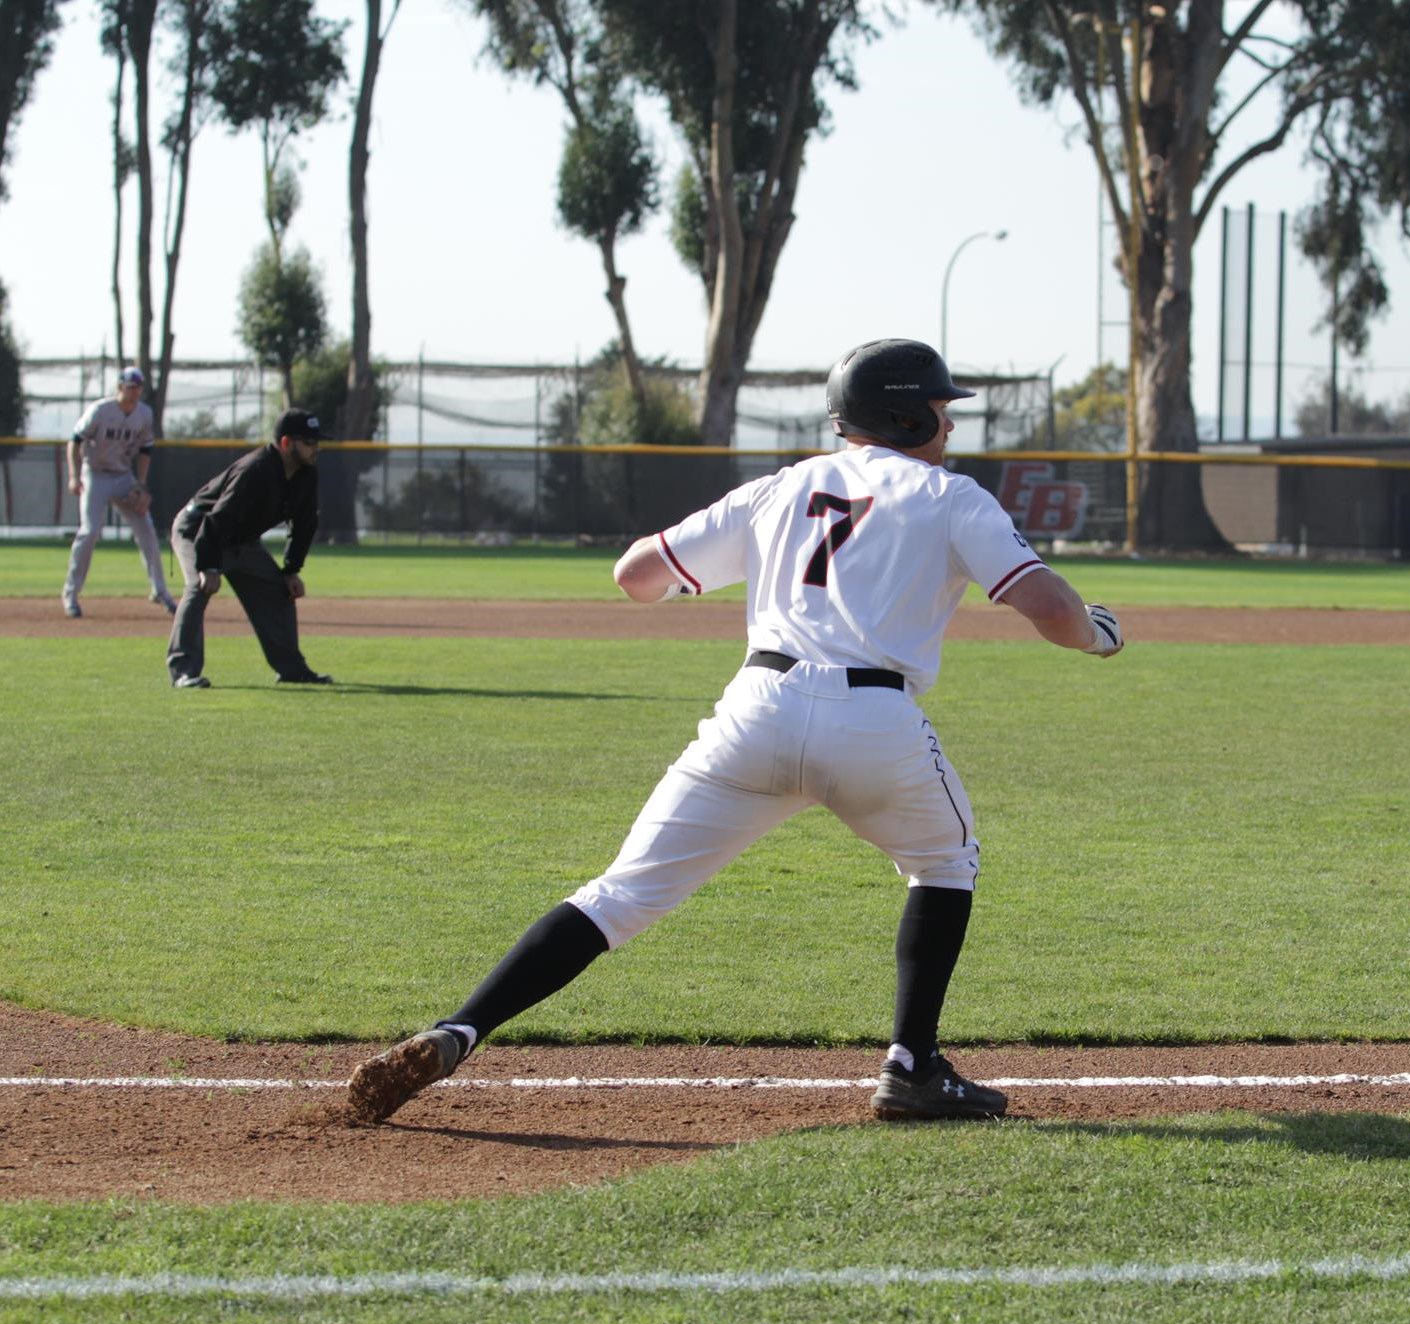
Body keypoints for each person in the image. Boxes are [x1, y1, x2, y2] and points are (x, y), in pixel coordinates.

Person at [345, 338, 1126, 1125]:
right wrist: (1099, 633)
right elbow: (1053, 613)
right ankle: (911, 1065)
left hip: (755, 709)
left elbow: (636, 577)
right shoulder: (948, 495)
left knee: (618, 894)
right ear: (901, 410)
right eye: (938, 405)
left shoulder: (779, 489)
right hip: (873, 720)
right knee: (944, 860)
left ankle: (459, 1028)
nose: (947, 422)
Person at [166, 408, 334, 689]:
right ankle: (184, 672)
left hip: (242, 541)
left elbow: (304, 525)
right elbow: (218, 518)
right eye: (308, 442)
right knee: (199, 587)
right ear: (285, 443)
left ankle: (292, 670)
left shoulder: (306, 475)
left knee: (279, 590)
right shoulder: (254, 470)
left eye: (317, 442)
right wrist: (208, 565)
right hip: (198, 530)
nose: (315, 448)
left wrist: (291, 570)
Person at [61, 367, 175, 617]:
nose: (134, 391)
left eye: (138, 387)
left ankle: (159, 590)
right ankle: (70, 593)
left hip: (124, 477)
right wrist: (73, 475)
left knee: (146, 529)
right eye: (130, 386)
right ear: (120, 387)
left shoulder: (144, 414)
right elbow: (75, 441)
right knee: (90, 532)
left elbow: (146, 451)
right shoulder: (101, 410)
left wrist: (141, 484)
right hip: (95, 474)